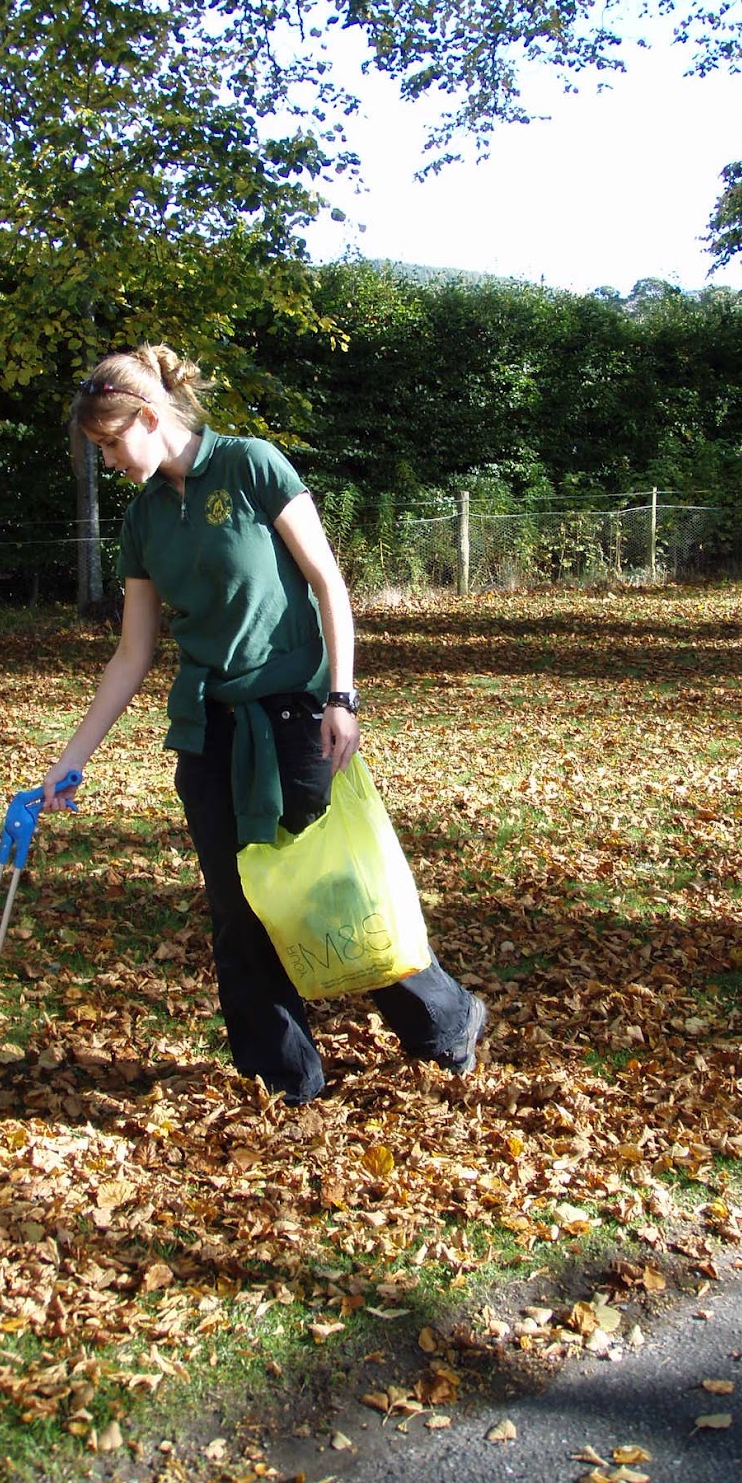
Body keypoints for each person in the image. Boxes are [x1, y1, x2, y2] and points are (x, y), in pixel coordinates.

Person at [42, 342, 487, 1105]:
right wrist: (69, 760)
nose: (111, 460)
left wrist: (342, 699)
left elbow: (327, 584)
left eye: (114, 442)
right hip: (207, 729)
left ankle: (444, 1020)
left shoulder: (252, 465)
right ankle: (282, 1080)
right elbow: (132, 652)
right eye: (99, 449)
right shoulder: (144, 518)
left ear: (151, 417)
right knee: (236, 907)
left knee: (326, 889)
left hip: (294, 715)